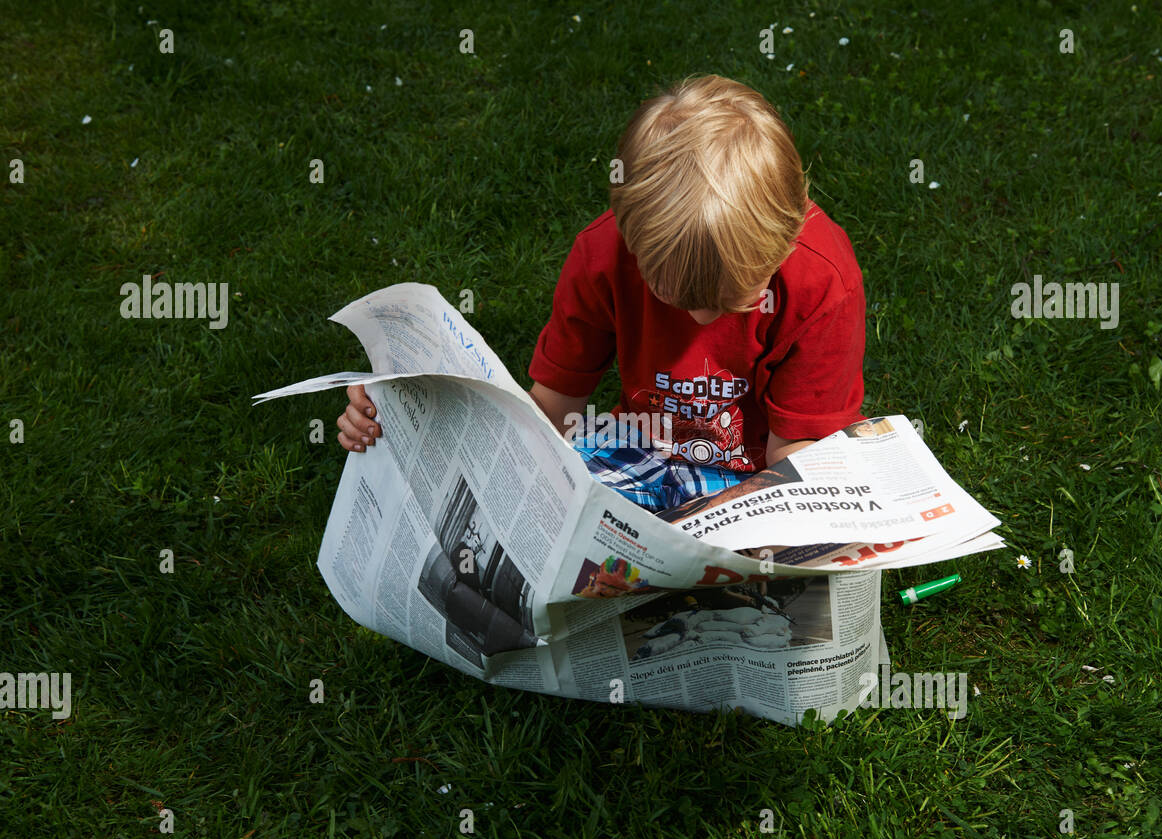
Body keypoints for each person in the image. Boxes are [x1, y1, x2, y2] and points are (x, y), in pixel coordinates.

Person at [338, 74, 865, 512]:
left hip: (755, 468)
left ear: (786, 235)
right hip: (640, 441)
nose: (703, 318)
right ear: (629, 230)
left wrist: (731, 515)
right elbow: (554, 409)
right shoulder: (602, 256)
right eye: (675, 296)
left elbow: (798, 450)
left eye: (732, 299)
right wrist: (402, 414)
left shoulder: (821, 281)